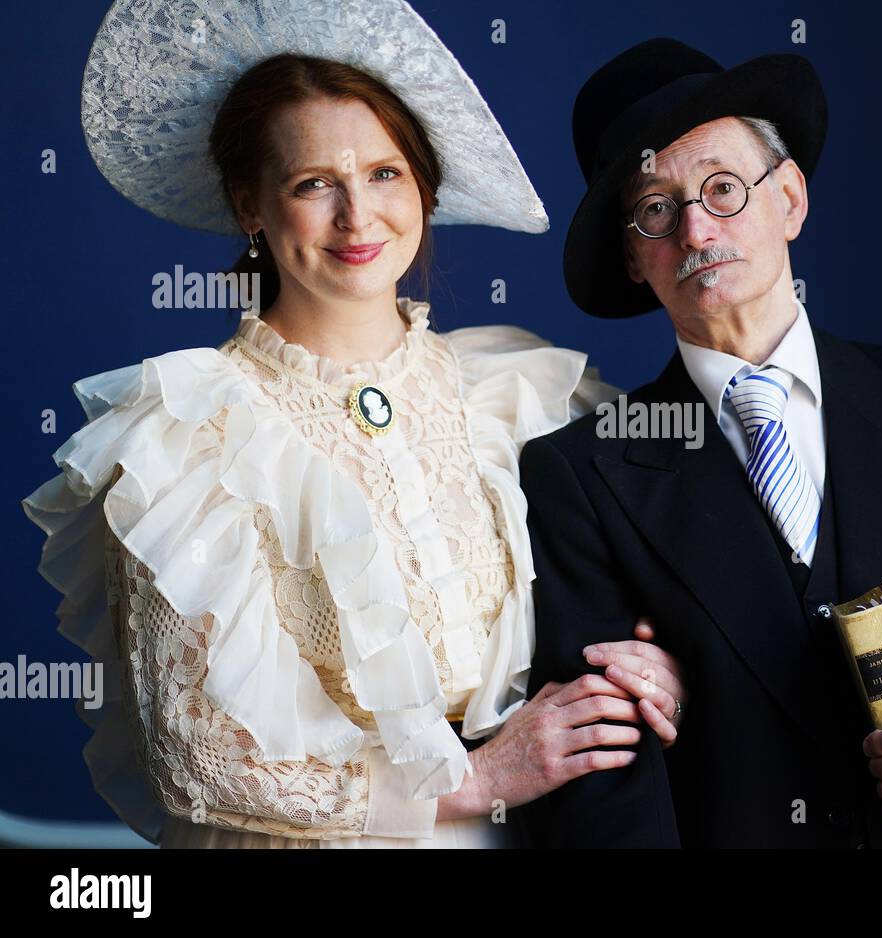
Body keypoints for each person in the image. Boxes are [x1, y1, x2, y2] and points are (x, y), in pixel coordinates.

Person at [22, 1, 687, 848]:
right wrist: (475, 781)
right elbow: (194, 760)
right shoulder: (187, 432)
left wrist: (658, 668)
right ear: (249, 205)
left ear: (423, 187)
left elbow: (655, 598)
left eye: (383, 173)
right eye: (312, 184)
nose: (358, 217)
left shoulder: (523, 390)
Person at [518, 39, 882, 848]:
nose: (696, 229)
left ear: (789, 198)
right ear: (632, 255)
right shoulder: (578, 474)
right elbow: (604, 774)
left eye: (722, 187)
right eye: (656, 208)